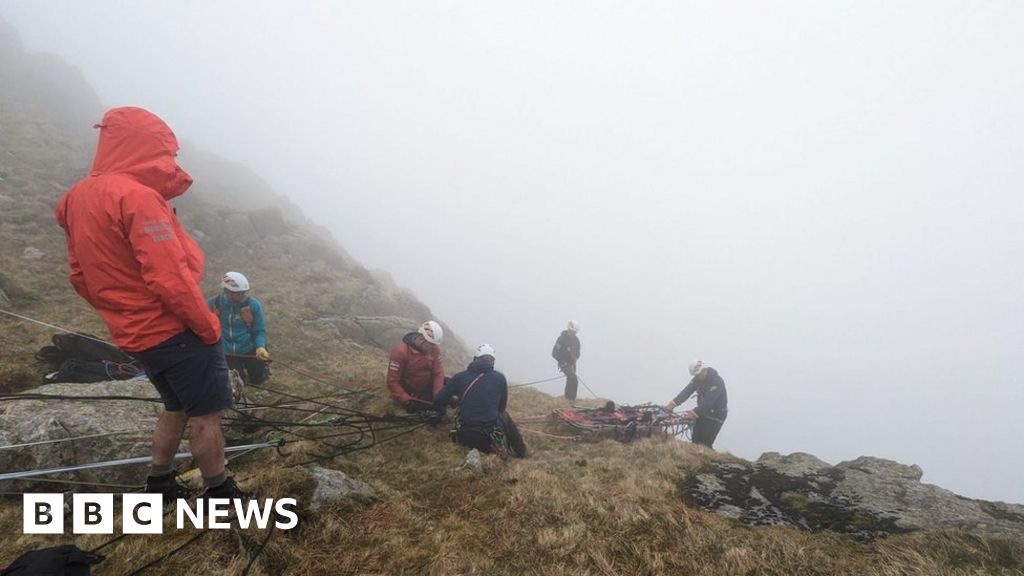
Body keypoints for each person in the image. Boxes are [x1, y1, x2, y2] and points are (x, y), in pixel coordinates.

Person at [55, 106, 243, 500]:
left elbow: (79, 276)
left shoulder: (77, 197)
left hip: (136, 334)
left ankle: (159, 481)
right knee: (206, 415)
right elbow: (168, 276)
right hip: (174, 329)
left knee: (174, 406)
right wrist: (207, 327)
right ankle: (220, 495)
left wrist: (122, 312)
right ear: (146, 145)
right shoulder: (137, 197)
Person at [434, 344, 526, 458]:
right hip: (488, 439)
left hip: (464, 436)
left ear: (475, 359)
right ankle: (521, 452)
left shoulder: (459, 377)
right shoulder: (500, 378)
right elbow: (501, 408)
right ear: (492, 362)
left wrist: (454, 398)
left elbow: (438, 400)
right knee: (504, 415)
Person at [208, 271, 269, 385]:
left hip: (250, 349)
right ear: (227, 291)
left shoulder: (253, 305)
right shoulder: (214, 304)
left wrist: (260, 346)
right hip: (228, 353)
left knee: (259, 379)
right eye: (238, 293)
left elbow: (259, 330)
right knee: (237, 383)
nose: (243, 296)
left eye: (244, 292)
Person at [664, 360, 728, 448]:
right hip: (702, 412)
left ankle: (708, 459)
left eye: (698, 375)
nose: (697, 377)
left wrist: (694, 413)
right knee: (695, 440)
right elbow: (686, 392)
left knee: (705, 441)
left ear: (704, 370)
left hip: (716, 415)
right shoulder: (697, 379)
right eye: (695, 375)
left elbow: (709, 401)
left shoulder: (717, 381)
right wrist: (672, 404)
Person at [386, 320, 446, 412]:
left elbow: (438, 372)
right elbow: (393, 381)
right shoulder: (400, 352)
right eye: (430, 344)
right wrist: (407, 400)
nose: (432, 347)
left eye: (433, 345)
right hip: (410, 391)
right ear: (421, 338)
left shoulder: (434, 349)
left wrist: (438, 395)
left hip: (426, 386)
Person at [551, 320, 581, 400]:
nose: (573, 334)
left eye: (575, 332)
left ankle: (570, 398)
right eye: (572, 331)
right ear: (568, 329)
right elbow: (554, 353)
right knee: (573, 378)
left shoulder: (576, 340)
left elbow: (578, 352)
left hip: (573, 363)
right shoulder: (561, 339)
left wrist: (575, 358)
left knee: (572, 379)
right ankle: (569, 398)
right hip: (563, 363)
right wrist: (562, 361)